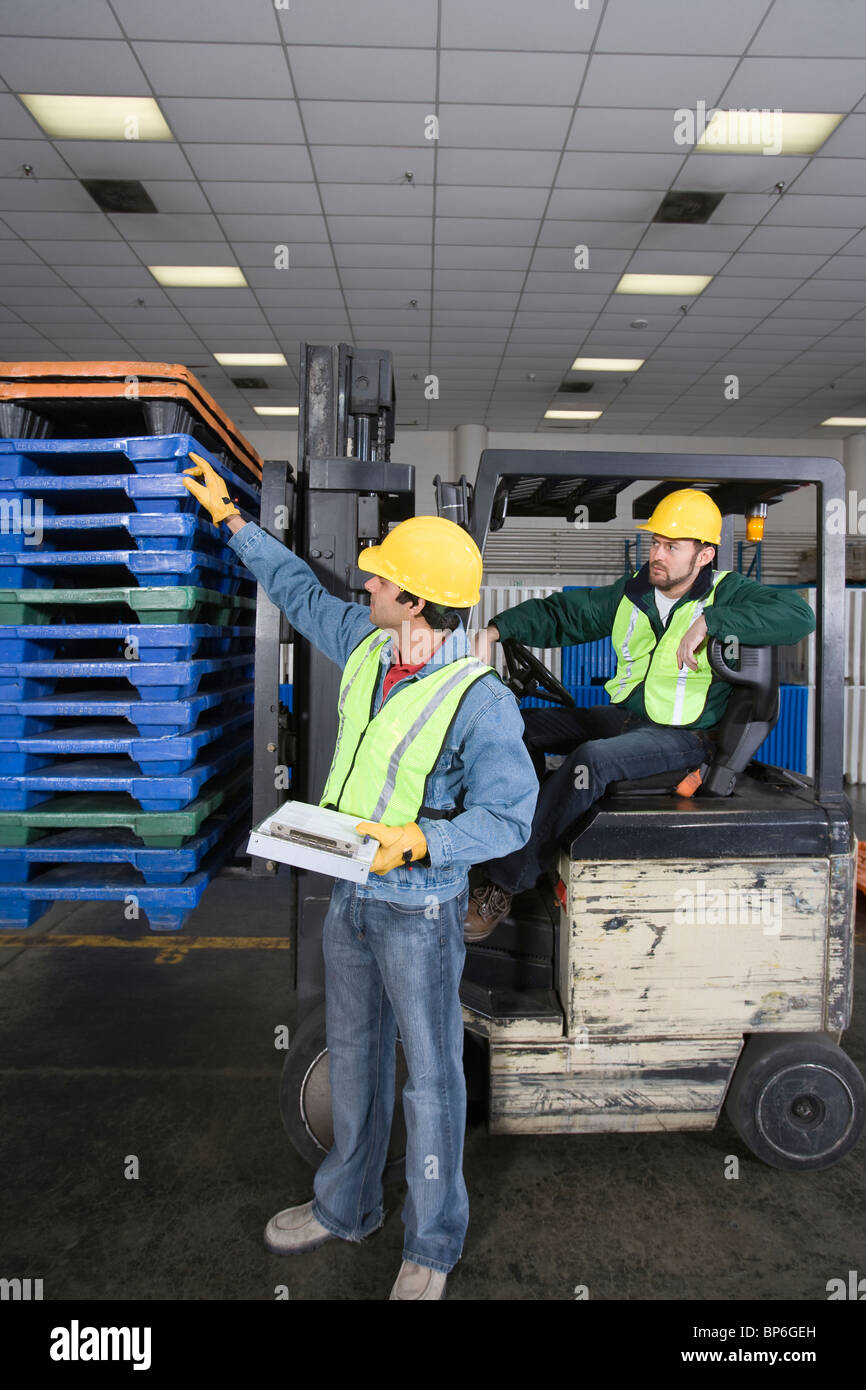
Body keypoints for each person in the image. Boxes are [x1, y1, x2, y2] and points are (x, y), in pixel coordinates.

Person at [182, 455, 537, 1300]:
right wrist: (232, 521)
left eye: (380, 580)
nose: (366, 584)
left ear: (415, 601)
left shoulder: (479, 700)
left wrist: (418, 841)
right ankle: (345, 1208)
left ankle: (434, 1243)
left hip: (416, 909)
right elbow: (302, 593)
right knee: (354, 1056)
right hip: (349, 892)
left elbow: (510, 818)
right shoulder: (373, 647)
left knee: (433, 1078)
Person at [465, 487, 817, 942]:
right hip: (627, 718)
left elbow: (798, 615)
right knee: (518, 728)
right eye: (655, 543)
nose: (657, 554)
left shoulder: (728, 593)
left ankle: (503, 885)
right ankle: (517, 839)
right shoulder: (634, 592)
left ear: (704, 555)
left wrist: (713, 622)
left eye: (672, 547)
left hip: (686, 736)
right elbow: (566, 614)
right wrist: (497, 630)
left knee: (592, 760)